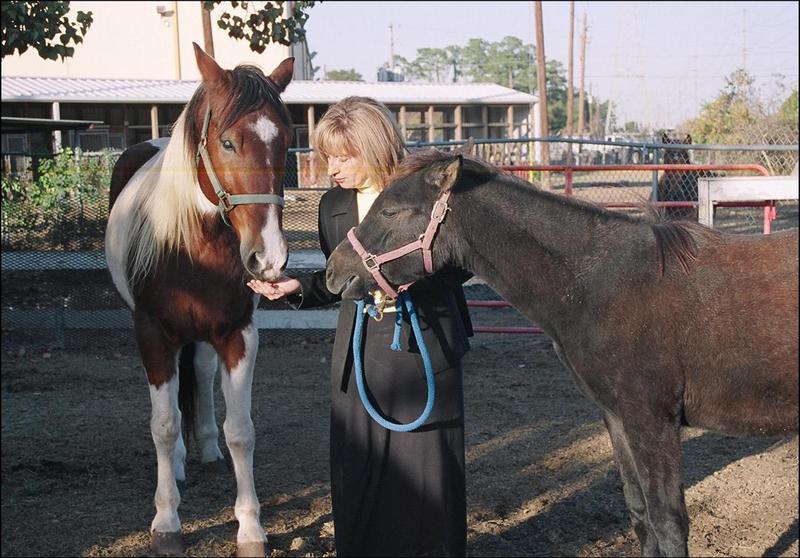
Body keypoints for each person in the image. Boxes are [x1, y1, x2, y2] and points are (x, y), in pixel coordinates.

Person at [248, 96, 473, 557]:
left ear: (374, 147)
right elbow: (338, 281)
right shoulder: (332, 206)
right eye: (327, 157)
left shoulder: (428, 193)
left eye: (343, 157)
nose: (332, 168)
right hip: (359, 348)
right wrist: (296, 290)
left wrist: (409, 277)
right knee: (360, 465)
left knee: (428, 469)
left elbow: (462, 262)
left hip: (424, 343)